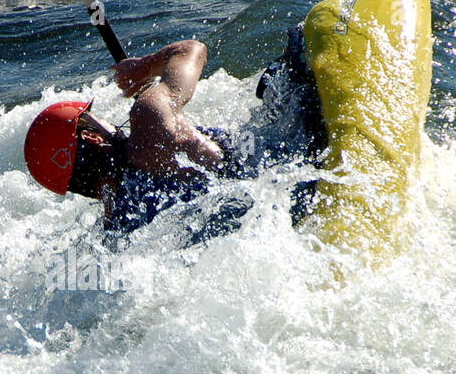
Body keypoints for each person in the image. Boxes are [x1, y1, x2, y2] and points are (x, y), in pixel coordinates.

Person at [22, 28, 327, 234]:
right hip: (299, 161)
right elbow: (190, 50)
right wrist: (143, 68)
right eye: (91, 117)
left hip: (273, 227)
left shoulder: (117, 229)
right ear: (89, 135)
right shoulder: (147, 120)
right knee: (290, 58)